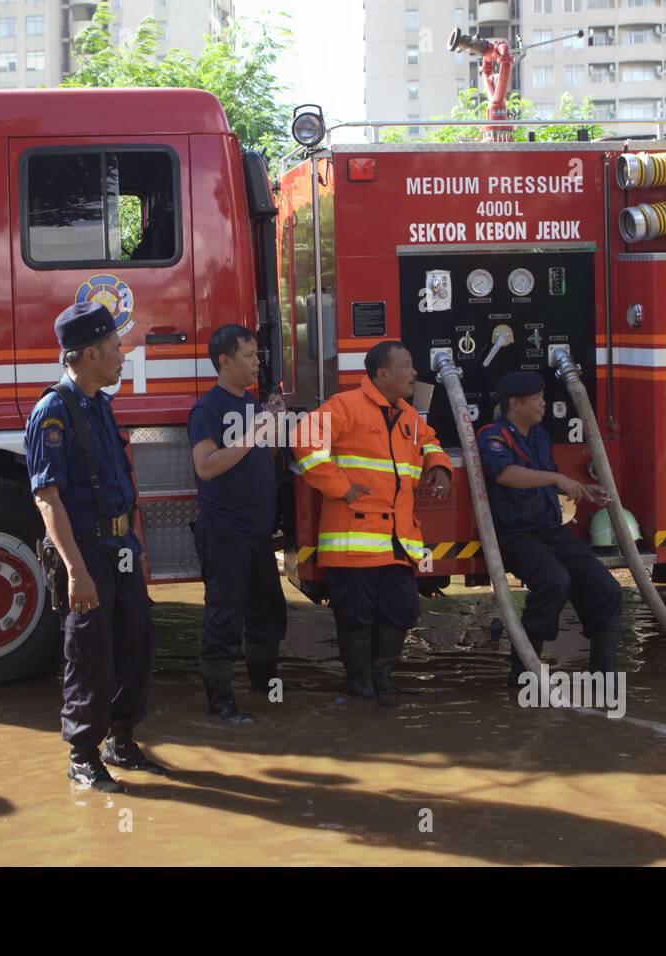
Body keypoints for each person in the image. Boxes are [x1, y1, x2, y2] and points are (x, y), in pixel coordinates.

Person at [26, 301, 166, 793]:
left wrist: (136, 546)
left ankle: (121, 742)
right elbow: (48, 498)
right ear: (87, 354)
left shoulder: (99, 405)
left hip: (120, 545)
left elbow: (120, 484)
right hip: (85, 551)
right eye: (113, 347)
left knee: (135, 642)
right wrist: (76, 571)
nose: (122, 354)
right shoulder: (53, 412)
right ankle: (83, 756)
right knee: (89, 652)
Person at [292, 340, 452, 699]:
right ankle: (361, 688)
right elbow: (303, 439)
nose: (414, 373)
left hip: (396, 541)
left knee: (402, 609)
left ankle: (382, 682)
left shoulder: (407, 416)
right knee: (354, 616)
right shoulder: (345, 406)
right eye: (406, 366)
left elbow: (430, 442)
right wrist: (341, 486)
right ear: (382, 373)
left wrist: (439, 465)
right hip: (354, 541)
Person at [476, 370, 622, 685]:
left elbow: (542, 481)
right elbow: (507, 475)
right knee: (554, 582)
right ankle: (523, 675)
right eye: (537, 398)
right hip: (515, 536)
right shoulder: (493, 436)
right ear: (515, 403)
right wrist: (558, 479)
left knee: (606, 589)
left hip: (551, 531)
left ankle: (604, 680)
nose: (544, 403)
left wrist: (581, 488)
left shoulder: (538, 435)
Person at [187, 324, 287, 723]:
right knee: (223, 617)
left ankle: (266, 690)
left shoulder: (254, 406)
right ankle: (221, 703)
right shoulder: (207, 409)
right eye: (247, 356)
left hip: (258, 532)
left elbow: (266, 459)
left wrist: (273, 424)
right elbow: (206, 467)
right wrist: (256, 430)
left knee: (268, 613)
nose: (255, 363)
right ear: (224, 361)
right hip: (225, 532)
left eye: (257, 356)